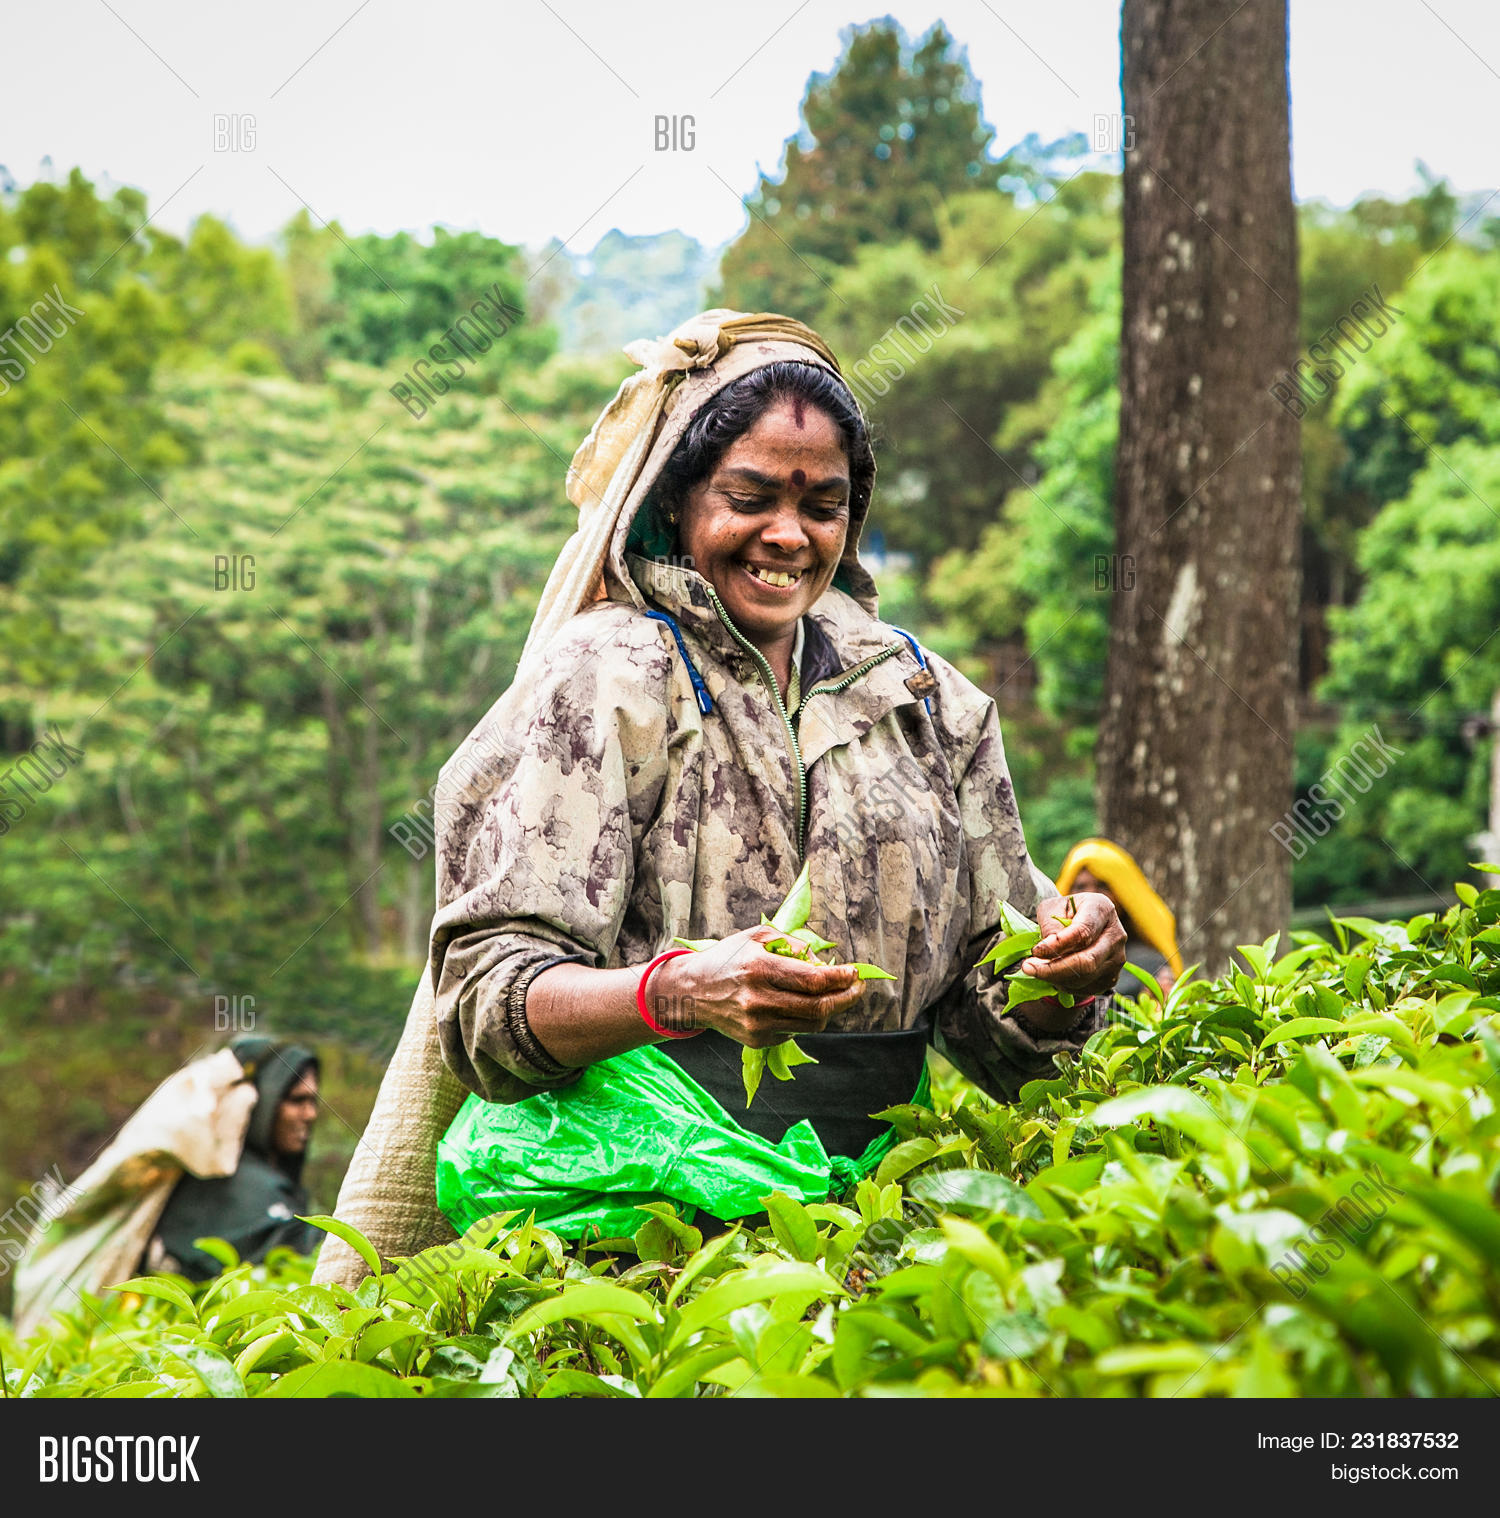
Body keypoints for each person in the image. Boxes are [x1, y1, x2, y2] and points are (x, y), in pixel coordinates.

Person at [315, 310, 1126, 1277]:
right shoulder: (604, 681)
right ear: (679, 499)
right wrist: (679, 993)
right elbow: (489, 1009)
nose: (788, 534)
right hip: (622, 1246)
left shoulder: (923, 698)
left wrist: (1061, 974)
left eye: (821, 505)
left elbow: (992, 1034)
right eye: (751, 496)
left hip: (873, 1232)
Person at [146, 1037, 322, 1280]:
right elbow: (290, 1247)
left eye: (313, 1101)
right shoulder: (231, 1182)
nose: (310, 1114)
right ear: (264, 1102)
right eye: (297, 1100)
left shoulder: (268, 1178)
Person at [1056, 838, 1184, 1000]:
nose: (1092, 896)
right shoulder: (1052, 961)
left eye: (1103, 886)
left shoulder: (1150, 964)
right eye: (1080, 887)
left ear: (1123, 896)